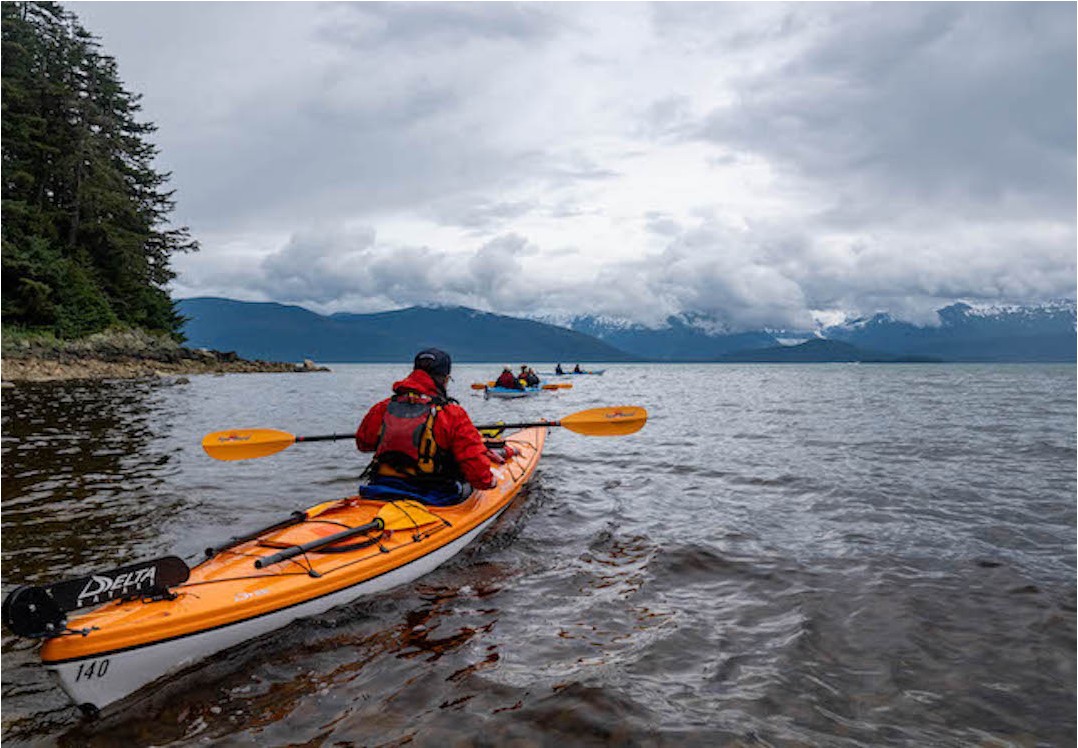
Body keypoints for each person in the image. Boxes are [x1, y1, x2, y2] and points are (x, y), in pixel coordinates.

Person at [356, 348, 509, 506]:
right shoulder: (451, 414)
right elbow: (479, 478)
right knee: (468, 484)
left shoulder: (383, 407)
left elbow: (363, 444)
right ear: (445, 379)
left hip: (380, 489)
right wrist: (492, 482)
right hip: (433, 496)